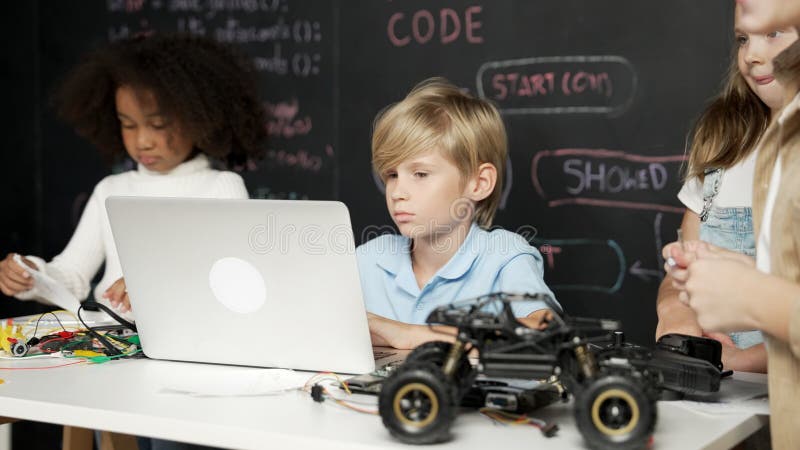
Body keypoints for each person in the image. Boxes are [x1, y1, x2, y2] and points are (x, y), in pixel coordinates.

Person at [0, 34, 267, 320]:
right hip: (110, 341)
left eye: (158, 124)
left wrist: (155, 287)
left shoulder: (221, 188)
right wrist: (32, 275)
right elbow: (73, 275)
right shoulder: (110, 189)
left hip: (183, 342)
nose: (142, 141)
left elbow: (233, 281)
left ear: (200, 119)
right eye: (128, 124)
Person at [667, 3, 800, 446]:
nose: (753, 55)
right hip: (730, 406)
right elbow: (682, 267)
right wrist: (676, 314)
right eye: (743, 39)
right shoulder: (727, 140)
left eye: (775, 34)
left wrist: (744, 357)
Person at [357, 77, 559, 350]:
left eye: (420, 174)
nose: (396, 192)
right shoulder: (367, 261)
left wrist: (406, 334)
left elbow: (548, 332)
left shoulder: (503, 257)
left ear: (479, 183)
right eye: (392, 174)